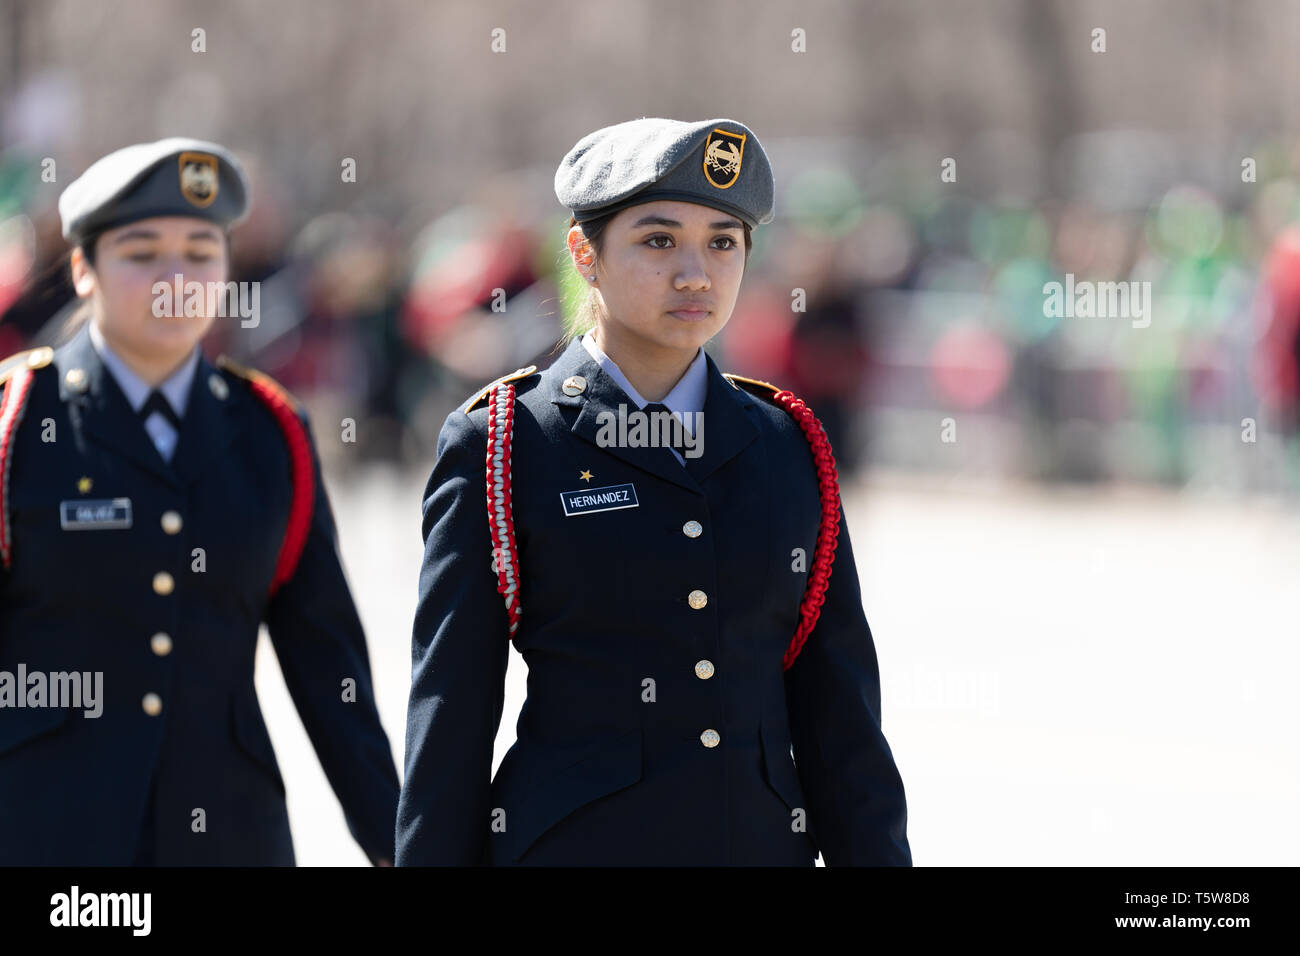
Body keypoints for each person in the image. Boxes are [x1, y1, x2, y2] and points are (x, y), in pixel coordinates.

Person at [396, 118, 911, 866]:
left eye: (723, 242)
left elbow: (842, 721)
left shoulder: (785, 443)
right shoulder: (507, 444)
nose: (696, 274)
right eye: (659, 240)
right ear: (585, 255)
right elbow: (450, 720)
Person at [0, 138, 399, 865]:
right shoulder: (18, 420)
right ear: (84, 269)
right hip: (49, 836)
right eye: (142, 253)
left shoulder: (268, 430)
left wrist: (400, 843)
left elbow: (327, 664)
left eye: (200, 251)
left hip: (228, 833)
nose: (175, 278)